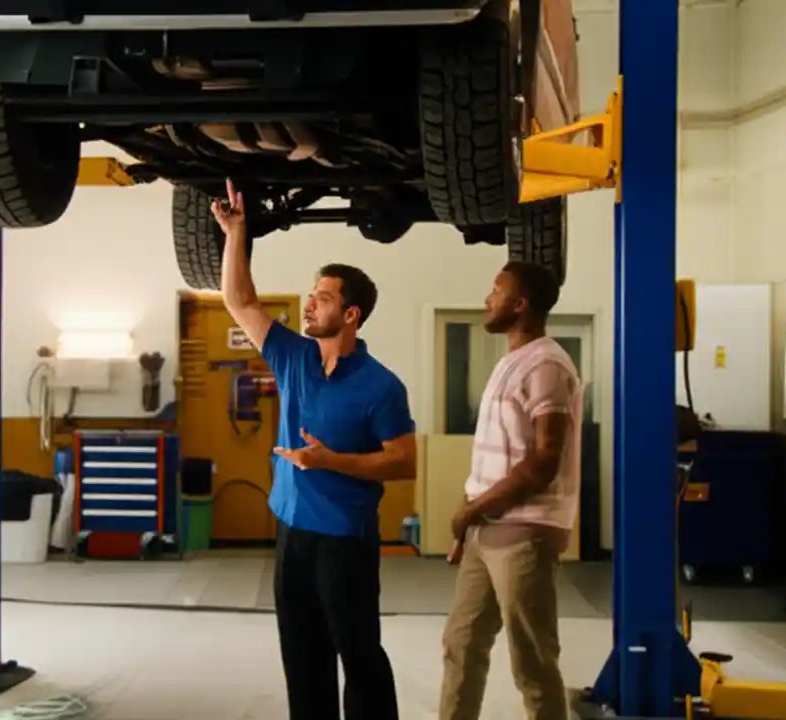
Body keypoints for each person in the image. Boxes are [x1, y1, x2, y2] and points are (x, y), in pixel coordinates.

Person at [212, 179, 417, 720]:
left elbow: (404, 461)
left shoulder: (381, 386)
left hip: (344, 543)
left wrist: (332, 462)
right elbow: (239, 300)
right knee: (302, 656)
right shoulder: (293, 357)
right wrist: (237, 232)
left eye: (322, 298)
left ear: (350, 314)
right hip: (292, 534)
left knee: (359, 654)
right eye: (312, 293)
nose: (309, 303)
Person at [439, 261, 582, 720]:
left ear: (520, 304)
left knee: (532, 662)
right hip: (485, 529)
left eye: (496, 290)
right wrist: (469, 515)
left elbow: (543, 461)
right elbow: (497, 453)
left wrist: (472, 509)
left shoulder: (546, 363)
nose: (488, 298)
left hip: (525, 532)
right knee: (461, 645)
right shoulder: (510, 361)